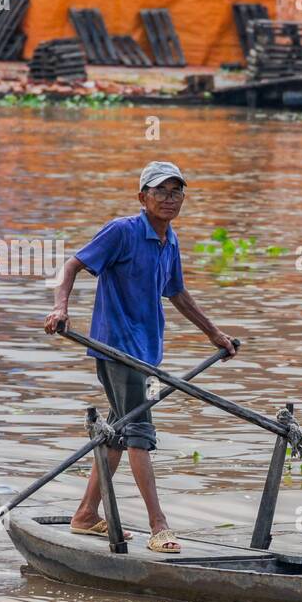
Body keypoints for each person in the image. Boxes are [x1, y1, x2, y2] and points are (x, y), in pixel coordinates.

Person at [43, 160, 237, 554]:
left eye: (176, 191)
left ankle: (85, 514)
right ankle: (159, 526)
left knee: (117, 432)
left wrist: (213, 333)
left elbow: (177, 292)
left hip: (146, 352)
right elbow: (71, 265)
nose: (169, 199)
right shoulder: (122, 231)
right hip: (116, 349)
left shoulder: (170, 240)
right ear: (142, 197)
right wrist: (61, 309)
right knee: (139, 434)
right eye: (161, 191)